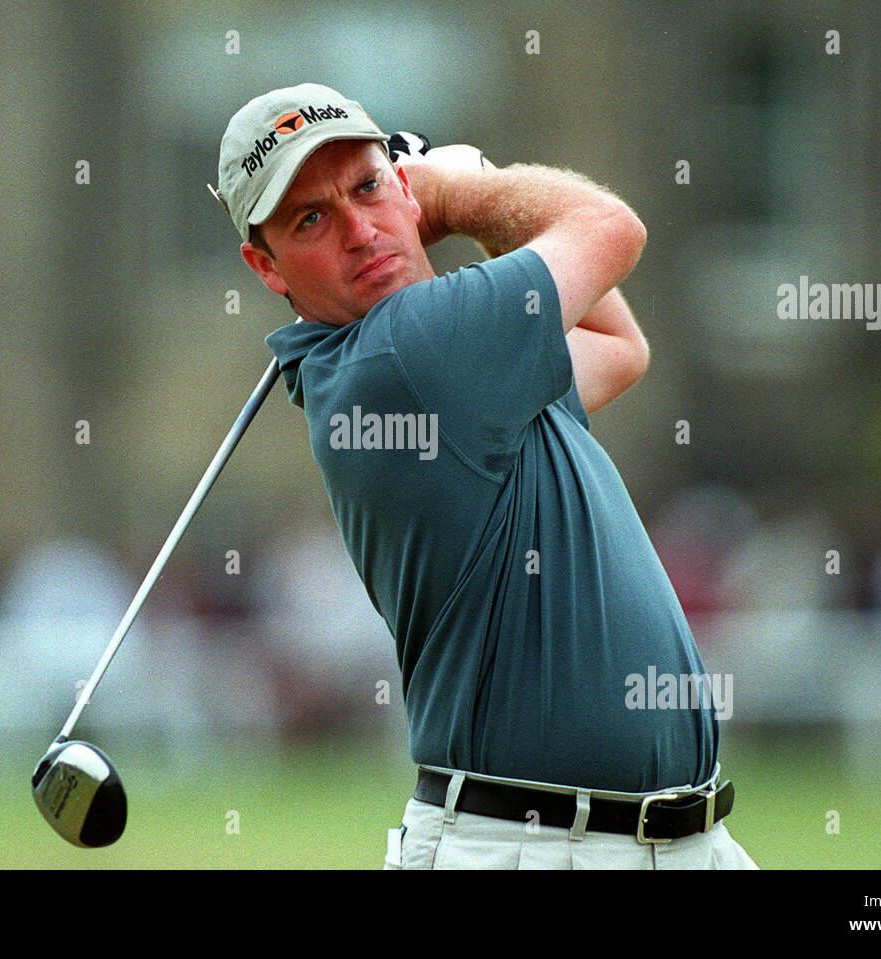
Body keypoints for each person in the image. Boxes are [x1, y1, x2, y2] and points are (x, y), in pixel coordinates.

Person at [211, 83, 757, 869]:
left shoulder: (452, 359)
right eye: (311, 219)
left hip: (655, 843)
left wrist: (442, 207)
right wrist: (460, 191)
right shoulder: (411, 352)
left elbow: (617, 342)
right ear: (265, 266)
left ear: (395, 185)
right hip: (538, 848)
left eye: (367, 187)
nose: (360, 231)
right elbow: (612, 228)